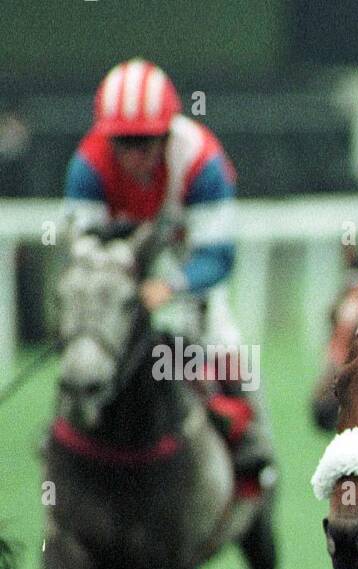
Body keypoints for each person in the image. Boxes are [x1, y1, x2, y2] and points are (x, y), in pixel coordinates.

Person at [64, 58, 272, 474]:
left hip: (185, 271)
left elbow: (217, 257)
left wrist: (169, 286)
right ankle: (68, 437)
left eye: (145, 142)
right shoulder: (87, 166)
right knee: (83, 348)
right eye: (122, 143)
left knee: (228, 351)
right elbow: (82, 252)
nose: (134, 156)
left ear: (167, 133)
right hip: (117, 273)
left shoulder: (202, 161)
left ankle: (256, 453)